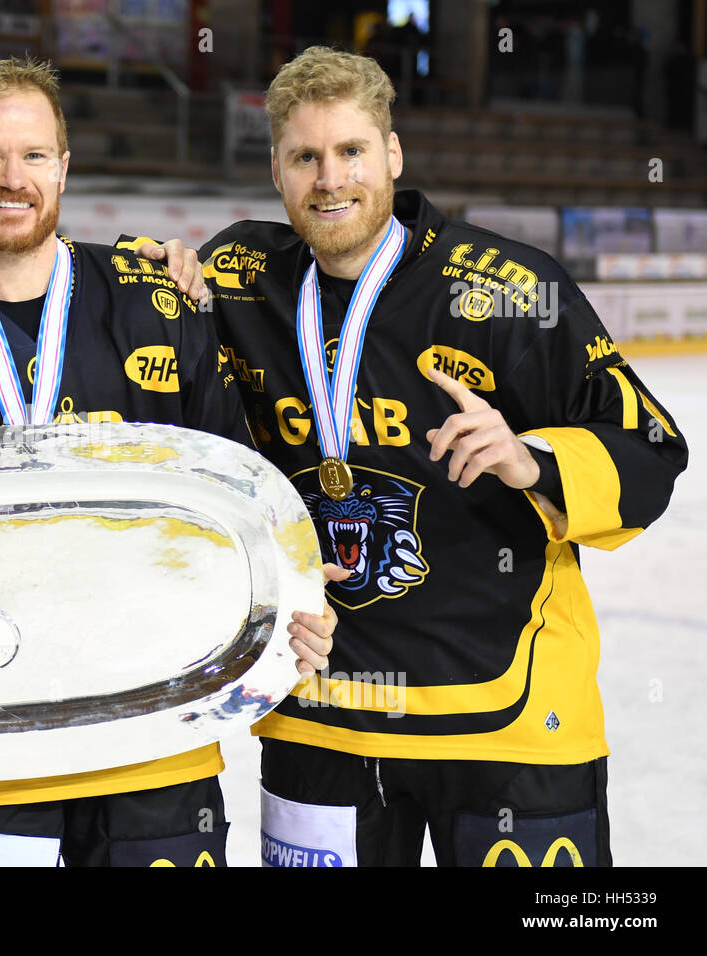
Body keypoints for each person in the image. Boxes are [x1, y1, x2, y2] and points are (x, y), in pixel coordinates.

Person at [0, 57, 341, 867]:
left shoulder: (156, 302)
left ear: (63, 166)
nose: (11, 179)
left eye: (32, 155)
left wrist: (292, 599)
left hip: (154, 740)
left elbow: (239, 494)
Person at [196, 46, 687, 866]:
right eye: (304, 157)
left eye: (352, 151)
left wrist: (531, 457)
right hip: (322, 716)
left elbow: (652, 448)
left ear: (392, 155)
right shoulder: (240, 280)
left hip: (508, 722)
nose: (330, 179)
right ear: (277, 172)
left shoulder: (507, 291)